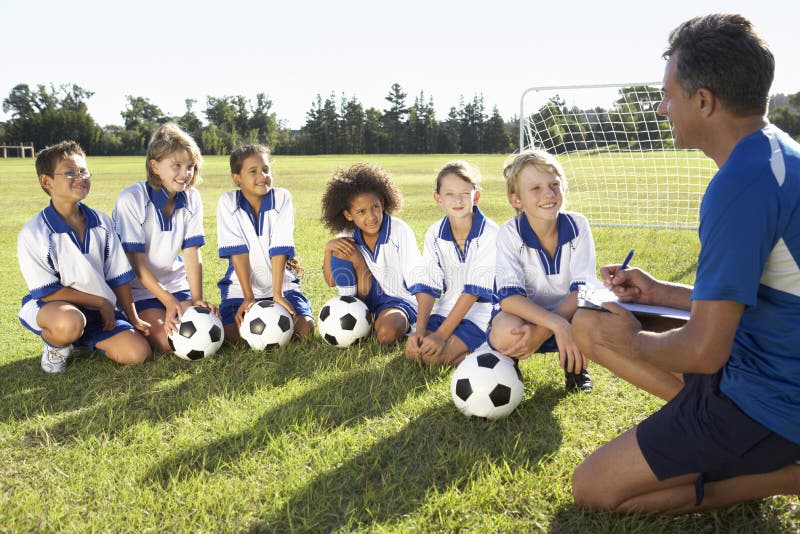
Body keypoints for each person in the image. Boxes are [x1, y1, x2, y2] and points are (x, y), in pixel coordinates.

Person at [570, 13, 800, 514]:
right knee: (589, 326)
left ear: (704, 101)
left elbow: (703, 351)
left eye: (668, 94)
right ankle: (714, 446)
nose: (661, 107)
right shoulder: (776, 155)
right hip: (767, 361)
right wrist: (659, 293)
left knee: (594, 489)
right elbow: (763, 296)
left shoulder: (743, 183)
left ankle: (781, 473)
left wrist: (632, 338)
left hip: (773, 398)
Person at [18, 141, 152, 373]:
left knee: (138, 354)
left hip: (99, 314)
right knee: (70, 322)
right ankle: (56, 344)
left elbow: (118, 276)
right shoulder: (34, 233)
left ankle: (80, 339)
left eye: (83, 171)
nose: (80, 177)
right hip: (54, 308)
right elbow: (47, 292)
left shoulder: (102, 223)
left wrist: (133, 317)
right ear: (46, 182)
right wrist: (101, 302)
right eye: (70, 172)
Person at [488, 149, 596, 393]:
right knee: (506, 333)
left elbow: (583, 292)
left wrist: (552, 327)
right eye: (535, 188)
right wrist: (556, 325)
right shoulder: (510, 232)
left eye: (554, 184)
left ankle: (575, 369)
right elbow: (509, 299)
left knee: (590, 320)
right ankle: (508, 366)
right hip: (525, 313)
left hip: (570, 310)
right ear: (517, 200)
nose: (548, 193)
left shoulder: (577, 225)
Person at [113, 122, 217, 354]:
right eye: (176, 166)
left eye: (190, 166)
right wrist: (168, 302)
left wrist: (197, 299)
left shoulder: (191, 198)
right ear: (155, 166)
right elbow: (136, 264)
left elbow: (192, 251)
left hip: (177, 286)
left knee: (206, 329)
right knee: (169, 342)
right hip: (139, 291)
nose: (185, 174)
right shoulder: (131, 199)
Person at [217, 144, 314, 343]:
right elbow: (238, 251)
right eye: (253, 171)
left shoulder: (281, 198)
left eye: (266, 170)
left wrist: (277, 294)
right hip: (239, 289)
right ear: (237, 178)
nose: (262, 176)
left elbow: (279, 248)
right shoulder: (228, 202)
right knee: (230, 337)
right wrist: (248, 297)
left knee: (304, 329)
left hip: (282, 286)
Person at [405, 161, 498, 366]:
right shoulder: (435, 233)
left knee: (433, 357)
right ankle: (465, 354)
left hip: (481, 315)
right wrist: (420, 330)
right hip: (445, 310)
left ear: (477, 196)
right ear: (438, 198)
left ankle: (488, 351)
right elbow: (428, 285)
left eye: (465, 193)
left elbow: (473, 291)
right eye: (449, 194)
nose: (458, 200)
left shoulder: (490, 233)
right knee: (414, 352)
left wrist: (440, 335)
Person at [321, 163, 420, 346]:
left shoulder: (399, 231)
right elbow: (330, 281)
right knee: (340, 249)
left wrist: (358, 261)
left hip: (398, 301)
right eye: (361, 212)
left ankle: (372, 322)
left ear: (382, 203)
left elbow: (417, 278)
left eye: (375, 207)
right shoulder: (347, 234)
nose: (371, 216)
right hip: (363, 299)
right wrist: (329, 249)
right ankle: (351, 310)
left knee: (387, 334)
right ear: (349, 215)